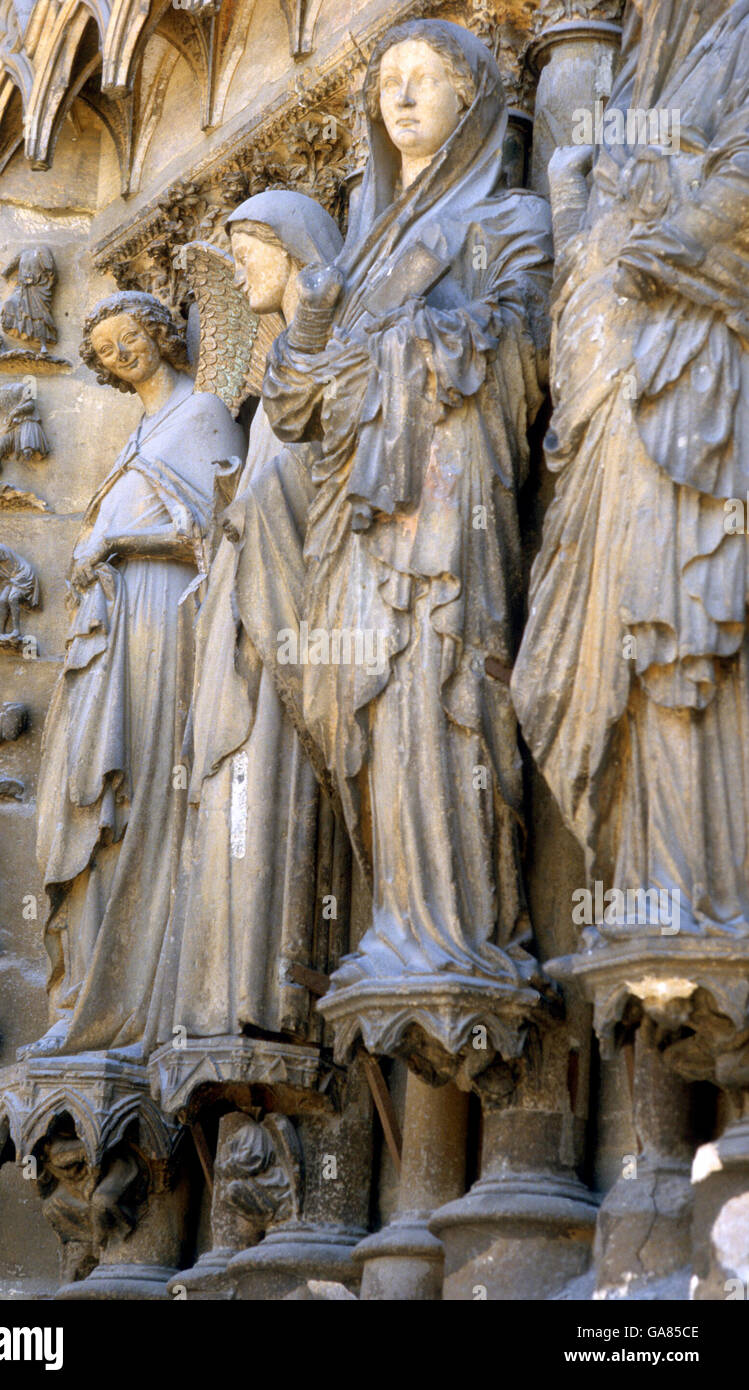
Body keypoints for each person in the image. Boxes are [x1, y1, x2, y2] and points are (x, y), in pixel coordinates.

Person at [262, 22, 552, 1019]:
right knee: (365, 709)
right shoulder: (358, 246)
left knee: (441, 688)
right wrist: (311, 327)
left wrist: (405, 344)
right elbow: (293, 412)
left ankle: (457, 925)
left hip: (447, 500)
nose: (401, 95)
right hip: (354, 521)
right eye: (386, 81)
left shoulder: (509, 218)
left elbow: (525, 355)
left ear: (474, 96)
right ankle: (394, 917)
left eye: (423, 76)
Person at [512, 0, 749, 934]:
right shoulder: (645, 62)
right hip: (612, 398)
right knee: (628, 636)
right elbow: (590, 259)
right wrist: (579, 209)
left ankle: (710, 891)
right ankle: (649, 883)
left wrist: (672, 230)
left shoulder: (734, 34)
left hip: (694, 388)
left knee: (688, 626)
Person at [25, 290, 245, 1057]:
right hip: (110, 631)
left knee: (145, 787)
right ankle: (87, 996)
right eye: (107, 351)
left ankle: (137, 1001)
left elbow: (231, 535)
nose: (122, 356)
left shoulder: (206, 414)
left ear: (160, 334)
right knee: (88, 800)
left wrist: (124, 544)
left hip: (163, 625)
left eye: (131, 339)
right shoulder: (139, 432)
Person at [159, 191, 347, 1043]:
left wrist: (257, 512)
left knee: (262, 780)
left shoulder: (326, 342)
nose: (240, 276)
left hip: (292, 614)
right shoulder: (273, 364)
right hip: (241, 600)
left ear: (295, 249)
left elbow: (338, 474)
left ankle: (270, 996)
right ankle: (214, 996)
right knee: (221, 790)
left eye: (250, 255)